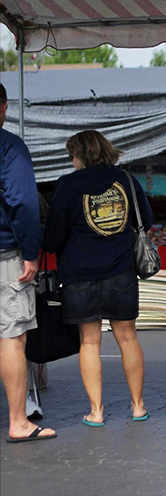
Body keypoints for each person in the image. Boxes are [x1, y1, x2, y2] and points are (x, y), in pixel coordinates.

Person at [44, 130, 152, 427]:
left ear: (79, 155)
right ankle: (138, 406)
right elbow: (147, 220)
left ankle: (97, 411)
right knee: (128, 337)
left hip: (80, 276)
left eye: (72, 156)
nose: (72, 161)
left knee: (89, 343)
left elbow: (52, 238)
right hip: (121, 271)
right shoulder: (126, 181)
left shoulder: (67, 187)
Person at [0, 82, 57, 443]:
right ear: (3, 107)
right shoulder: (9, 147)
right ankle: (19, 421)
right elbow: (22, 203)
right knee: (12, 336)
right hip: (5, 255)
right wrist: (30, 252)